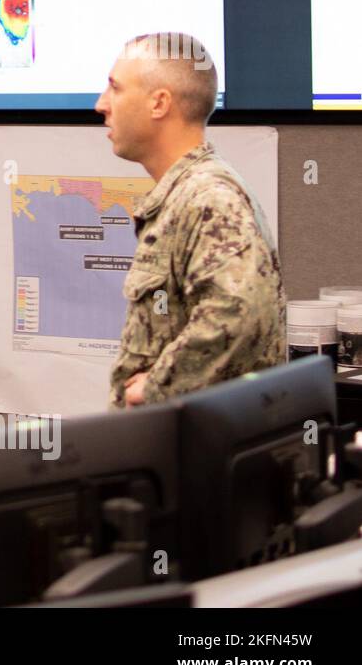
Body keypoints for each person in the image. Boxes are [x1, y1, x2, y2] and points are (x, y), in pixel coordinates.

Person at [95, 32, 285, 408]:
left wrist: (158, 387)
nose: (101, 104)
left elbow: (241, 309)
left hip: (199, 454)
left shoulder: (207, 198)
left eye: (115, 88)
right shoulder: (186, 194)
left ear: (159, 103)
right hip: (176, 447)